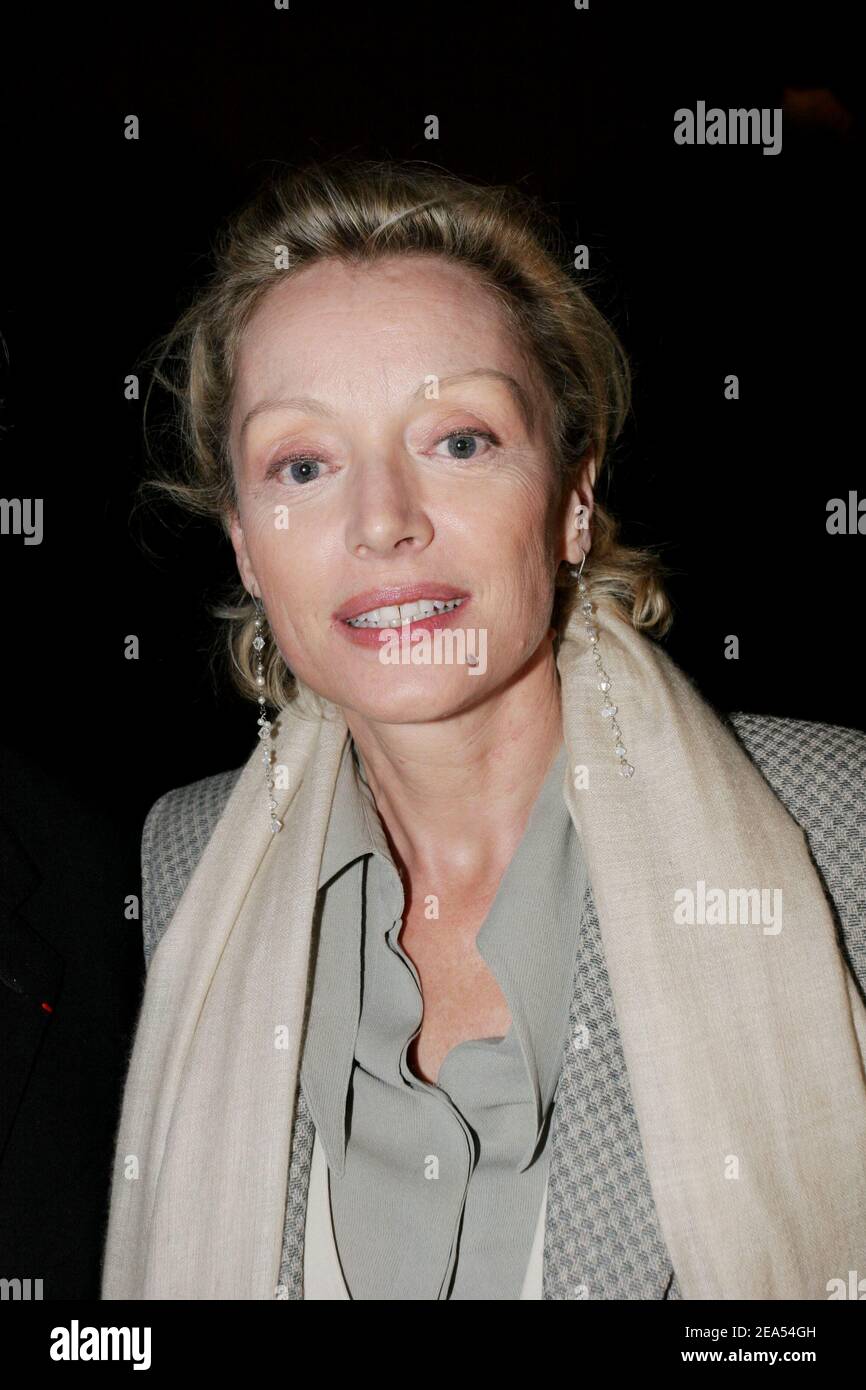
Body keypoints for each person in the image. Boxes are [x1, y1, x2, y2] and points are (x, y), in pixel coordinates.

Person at [101, 158, 866, 1301]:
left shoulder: (833, 826)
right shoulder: (185, 859)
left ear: (569, 498)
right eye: (302, 464)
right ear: (246, 545)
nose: (382, 523)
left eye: (456, 441)